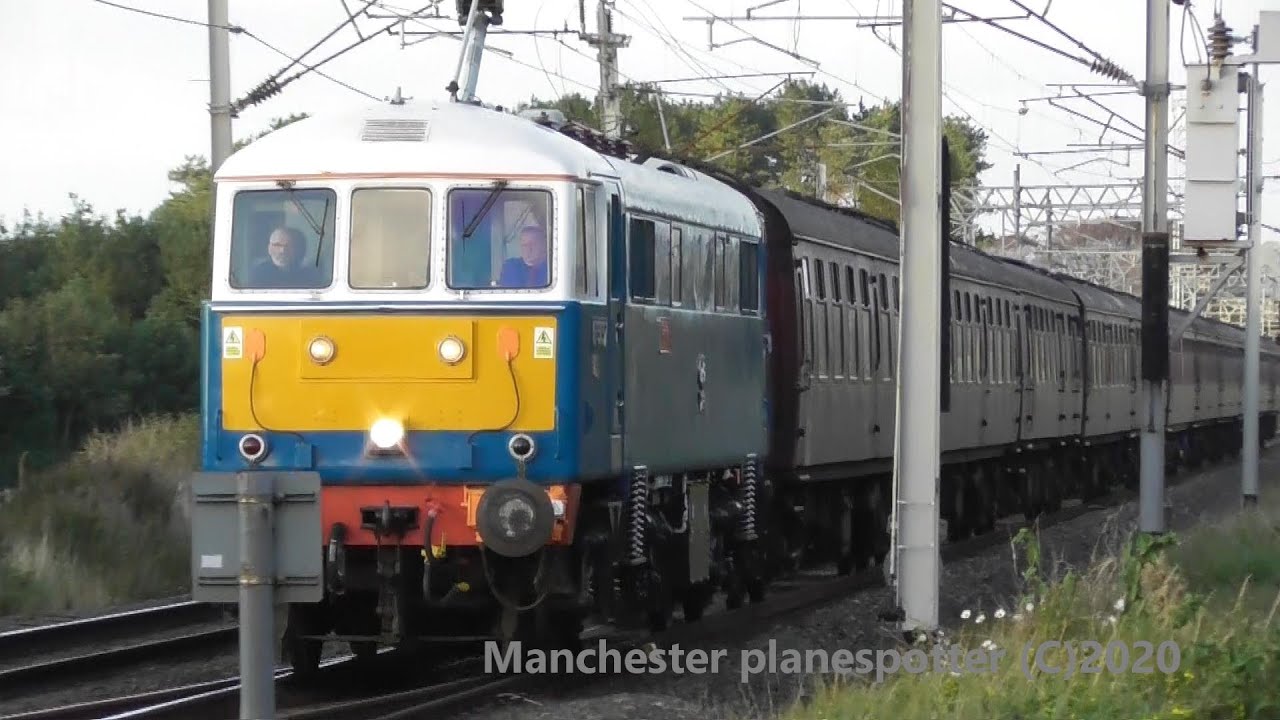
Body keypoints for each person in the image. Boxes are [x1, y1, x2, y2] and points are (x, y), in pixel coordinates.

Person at [246, 226, 325, 288]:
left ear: (299, 249)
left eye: (289, 246)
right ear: (269, 248)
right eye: (277, 245)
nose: (282, 251)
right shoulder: (260, 272)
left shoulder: (309, 274)